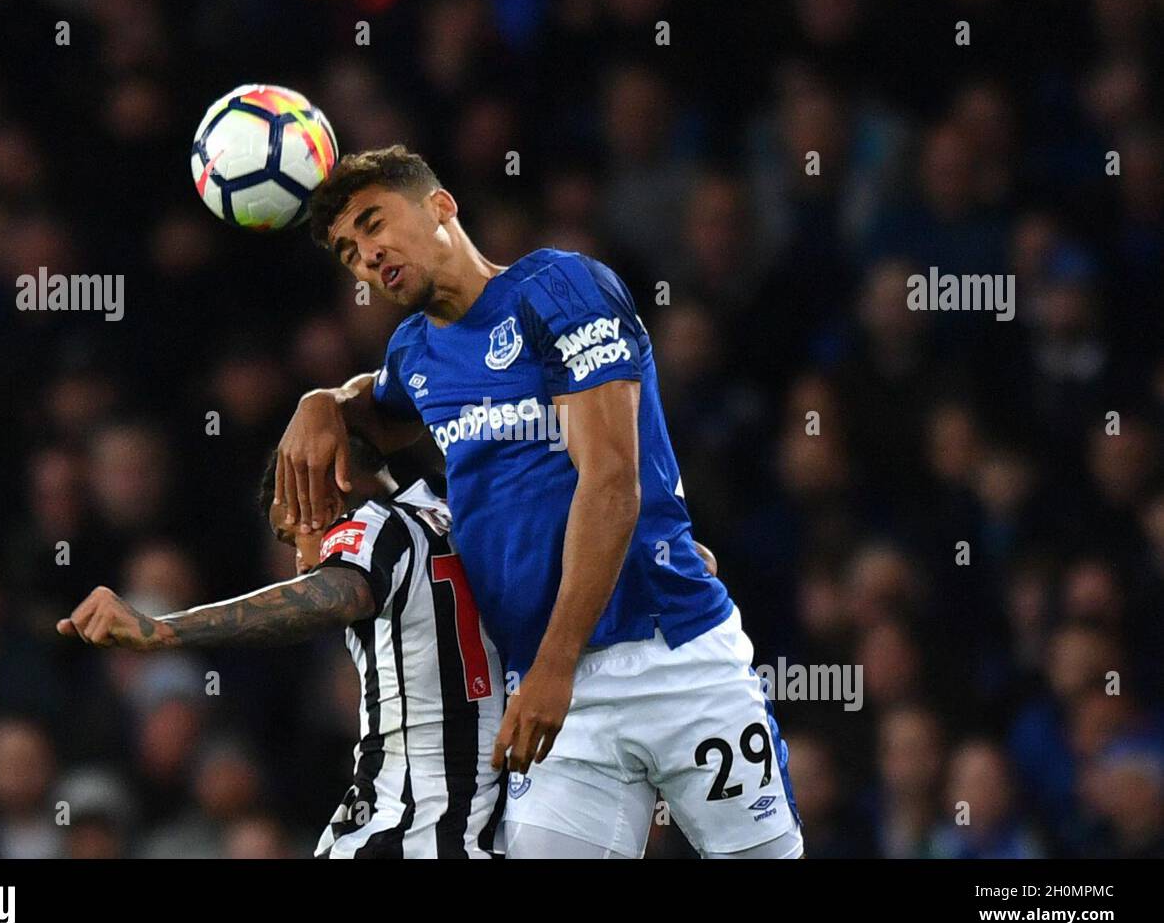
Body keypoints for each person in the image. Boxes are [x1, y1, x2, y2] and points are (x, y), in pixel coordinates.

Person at [273, 145, 803, 858]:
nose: (367, 255)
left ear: (440, 205)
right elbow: (372, 406)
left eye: (374, 223)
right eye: (348, 251)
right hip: (557, 700)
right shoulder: (415, 356)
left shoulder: (559, 290)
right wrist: (321, 401)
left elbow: (612, 480)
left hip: (674, 657)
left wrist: (553, 667)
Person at [58, 434, 505, 858]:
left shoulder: (370, 528)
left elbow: (327, 597)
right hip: (484, 816)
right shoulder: (453, 506)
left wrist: (162, 629)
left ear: (326, 495)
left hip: (412, 826)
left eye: (293, 533)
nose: (300, 562)